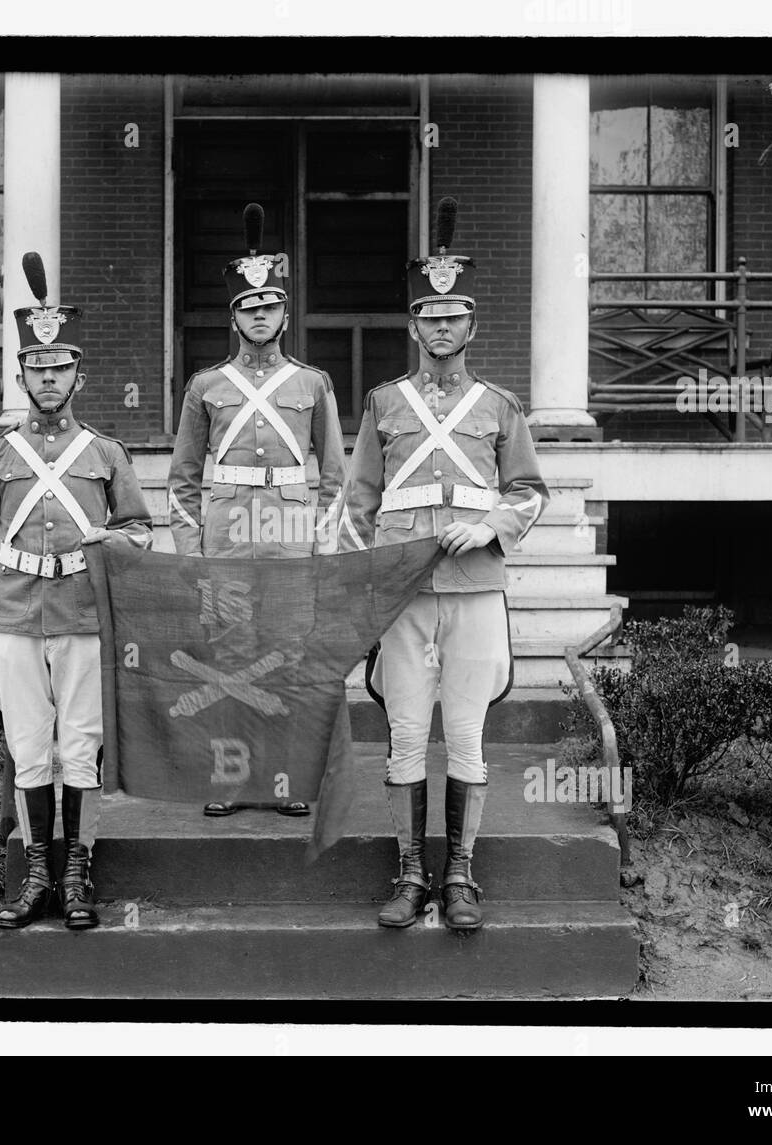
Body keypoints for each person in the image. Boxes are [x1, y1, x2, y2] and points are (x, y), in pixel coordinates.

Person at [339, 198, 549, 930]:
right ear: (414, 325)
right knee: (403, 734)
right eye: (428, 316)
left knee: (463, 732)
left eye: (453, 316)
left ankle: (460, 874)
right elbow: (356, 504)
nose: (440, 329)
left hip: (473, 589)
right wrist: (363, 587)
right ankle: (409, 872)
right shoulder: (383, 404)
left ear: (471, 325)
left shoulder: (499, 407)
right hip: (401, 594)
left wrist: (487, 524)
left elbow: (529, 493)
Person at [0, 252, 152, 930]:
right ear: (21, 376)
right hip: (13, 616)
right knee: (28, 747)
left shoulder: (105, 453)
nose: (49, 379)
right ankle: (37, 871)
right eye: (37, 369)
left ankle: (78, 872)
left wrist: (112, 542)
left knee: (80, 748)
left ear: (78, 375)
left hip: (81, 617)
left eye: (60, 367)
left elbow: (140, 532)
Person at [167, 203, 346, 817]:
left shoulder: (313, 385)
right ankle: (232, 778)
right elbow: (182, 483)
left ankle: (286, 780)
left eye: (270, 305)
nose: (260, 315)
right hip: (227, 547)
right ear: (234, 315)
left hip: (292, 544)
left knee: (288, 660)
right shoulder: (205, 386)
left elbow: (337, 481)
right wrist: (193, 553)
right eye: (249, 306)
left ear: (285, 314)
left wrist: (322, 545)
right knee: (230, 661)